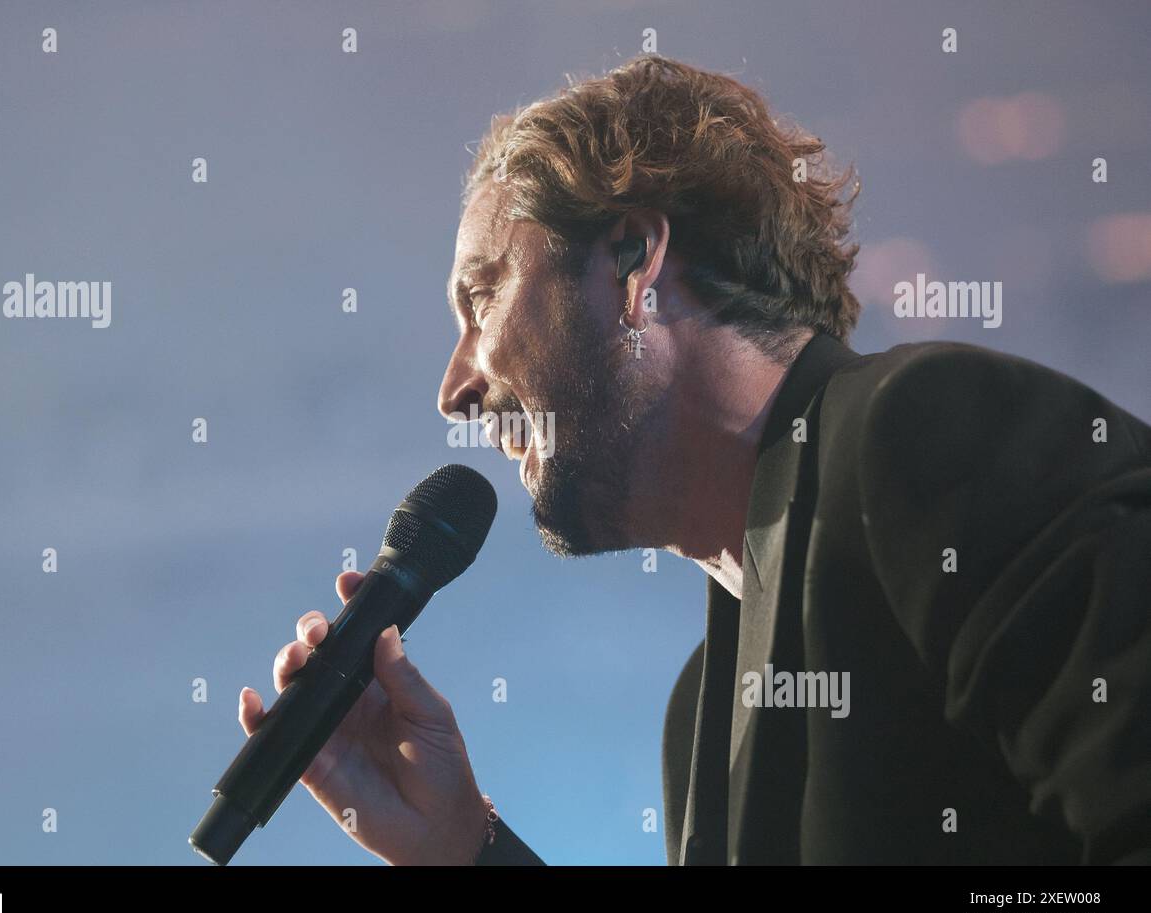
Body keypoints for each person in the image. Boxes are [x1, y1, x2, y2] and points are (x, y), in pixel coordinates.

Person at [239, 54, 1151, 865]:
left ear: (635, 257)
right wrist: (460, 849)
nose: (457, 385)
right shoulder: (700, 716)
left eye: (484, 297)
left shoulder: (920, 430)